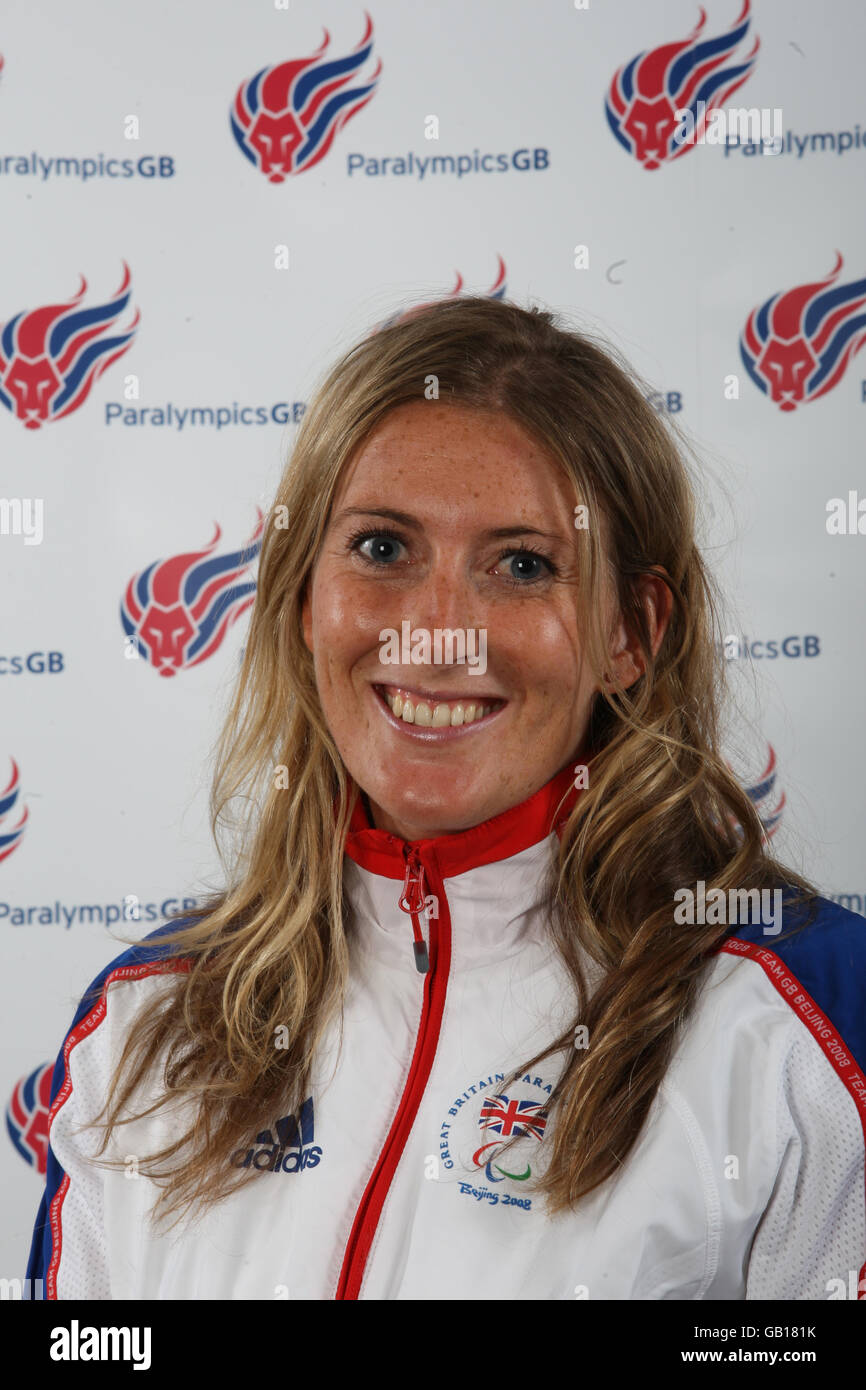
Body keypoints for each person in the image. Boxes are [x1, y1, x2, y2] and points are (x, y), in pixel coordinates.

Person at [27, 296, 865, 1300]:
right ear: (303, 599)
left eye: (521, 565)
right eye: (382, 548)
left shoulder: (799, 1025)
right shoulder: (145, 1025)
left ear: (627, 632)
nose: (437, 632)